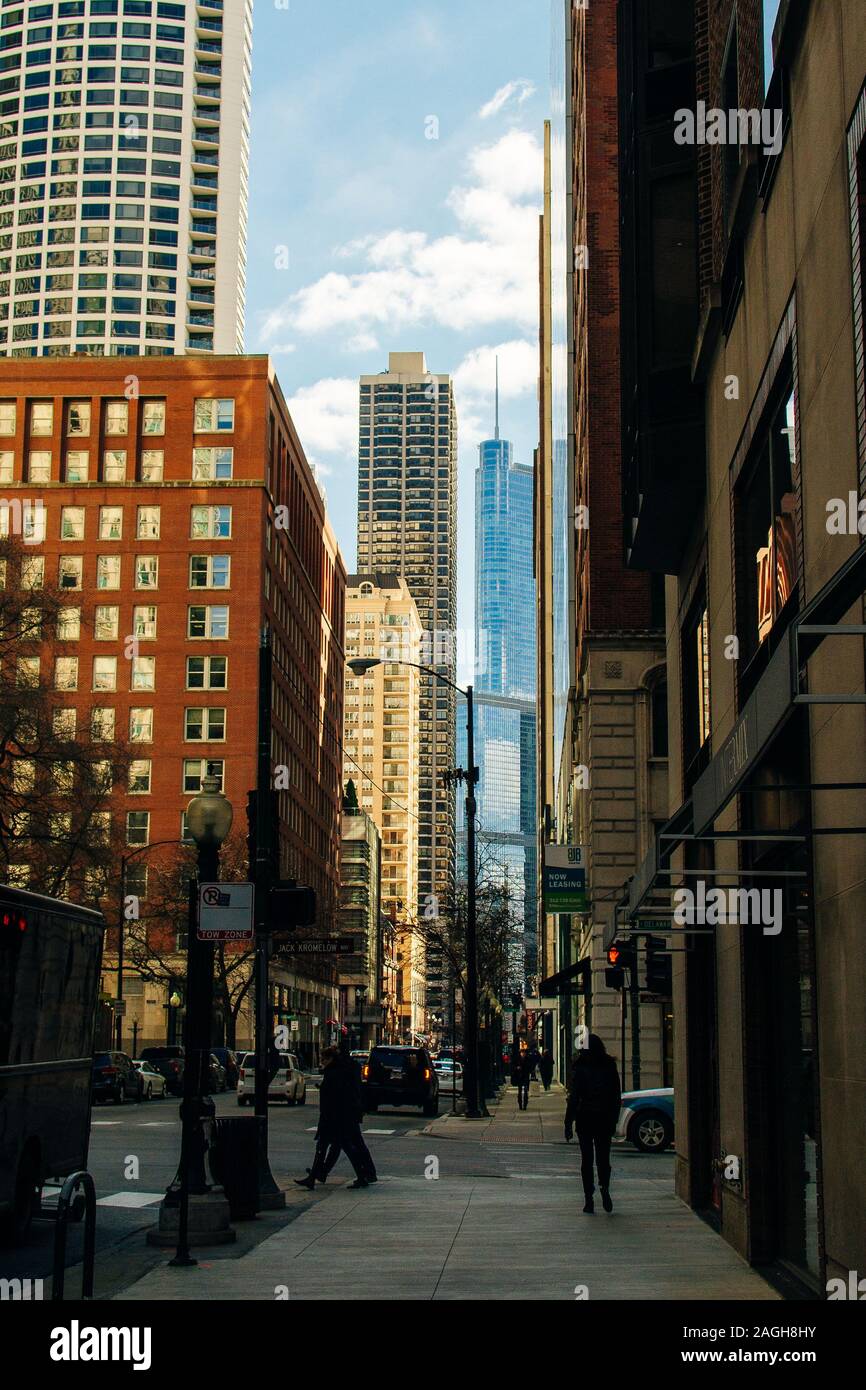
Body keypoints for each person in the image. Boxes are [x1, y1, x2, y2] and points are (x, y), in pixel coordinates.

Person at [295, 1046, 377, 1190]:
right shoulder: (342, 1070)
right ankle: (315, 1176)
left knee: (342, 1146)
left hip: (335, 1117)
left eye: (323, 1059)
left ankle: (361, 1175)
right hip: (341, 1116)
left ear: (331, 1058)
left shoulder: (335, 1072)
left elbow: (335, 1096)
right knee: (328, 1146)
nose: (322, 1062)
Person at [564, 1034, 621, 1213]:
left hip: (585, 1118)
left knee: (586, 1160)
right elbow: (615, 1096)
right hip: (604, 1118)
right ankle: (604, 1187)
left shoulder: (580, 1067)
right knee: (603, 1158)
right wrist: (614, 1120)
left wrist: (568, 1122)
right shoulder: (609, 1065)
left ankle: (589, 1198)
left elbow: (574, 1097)